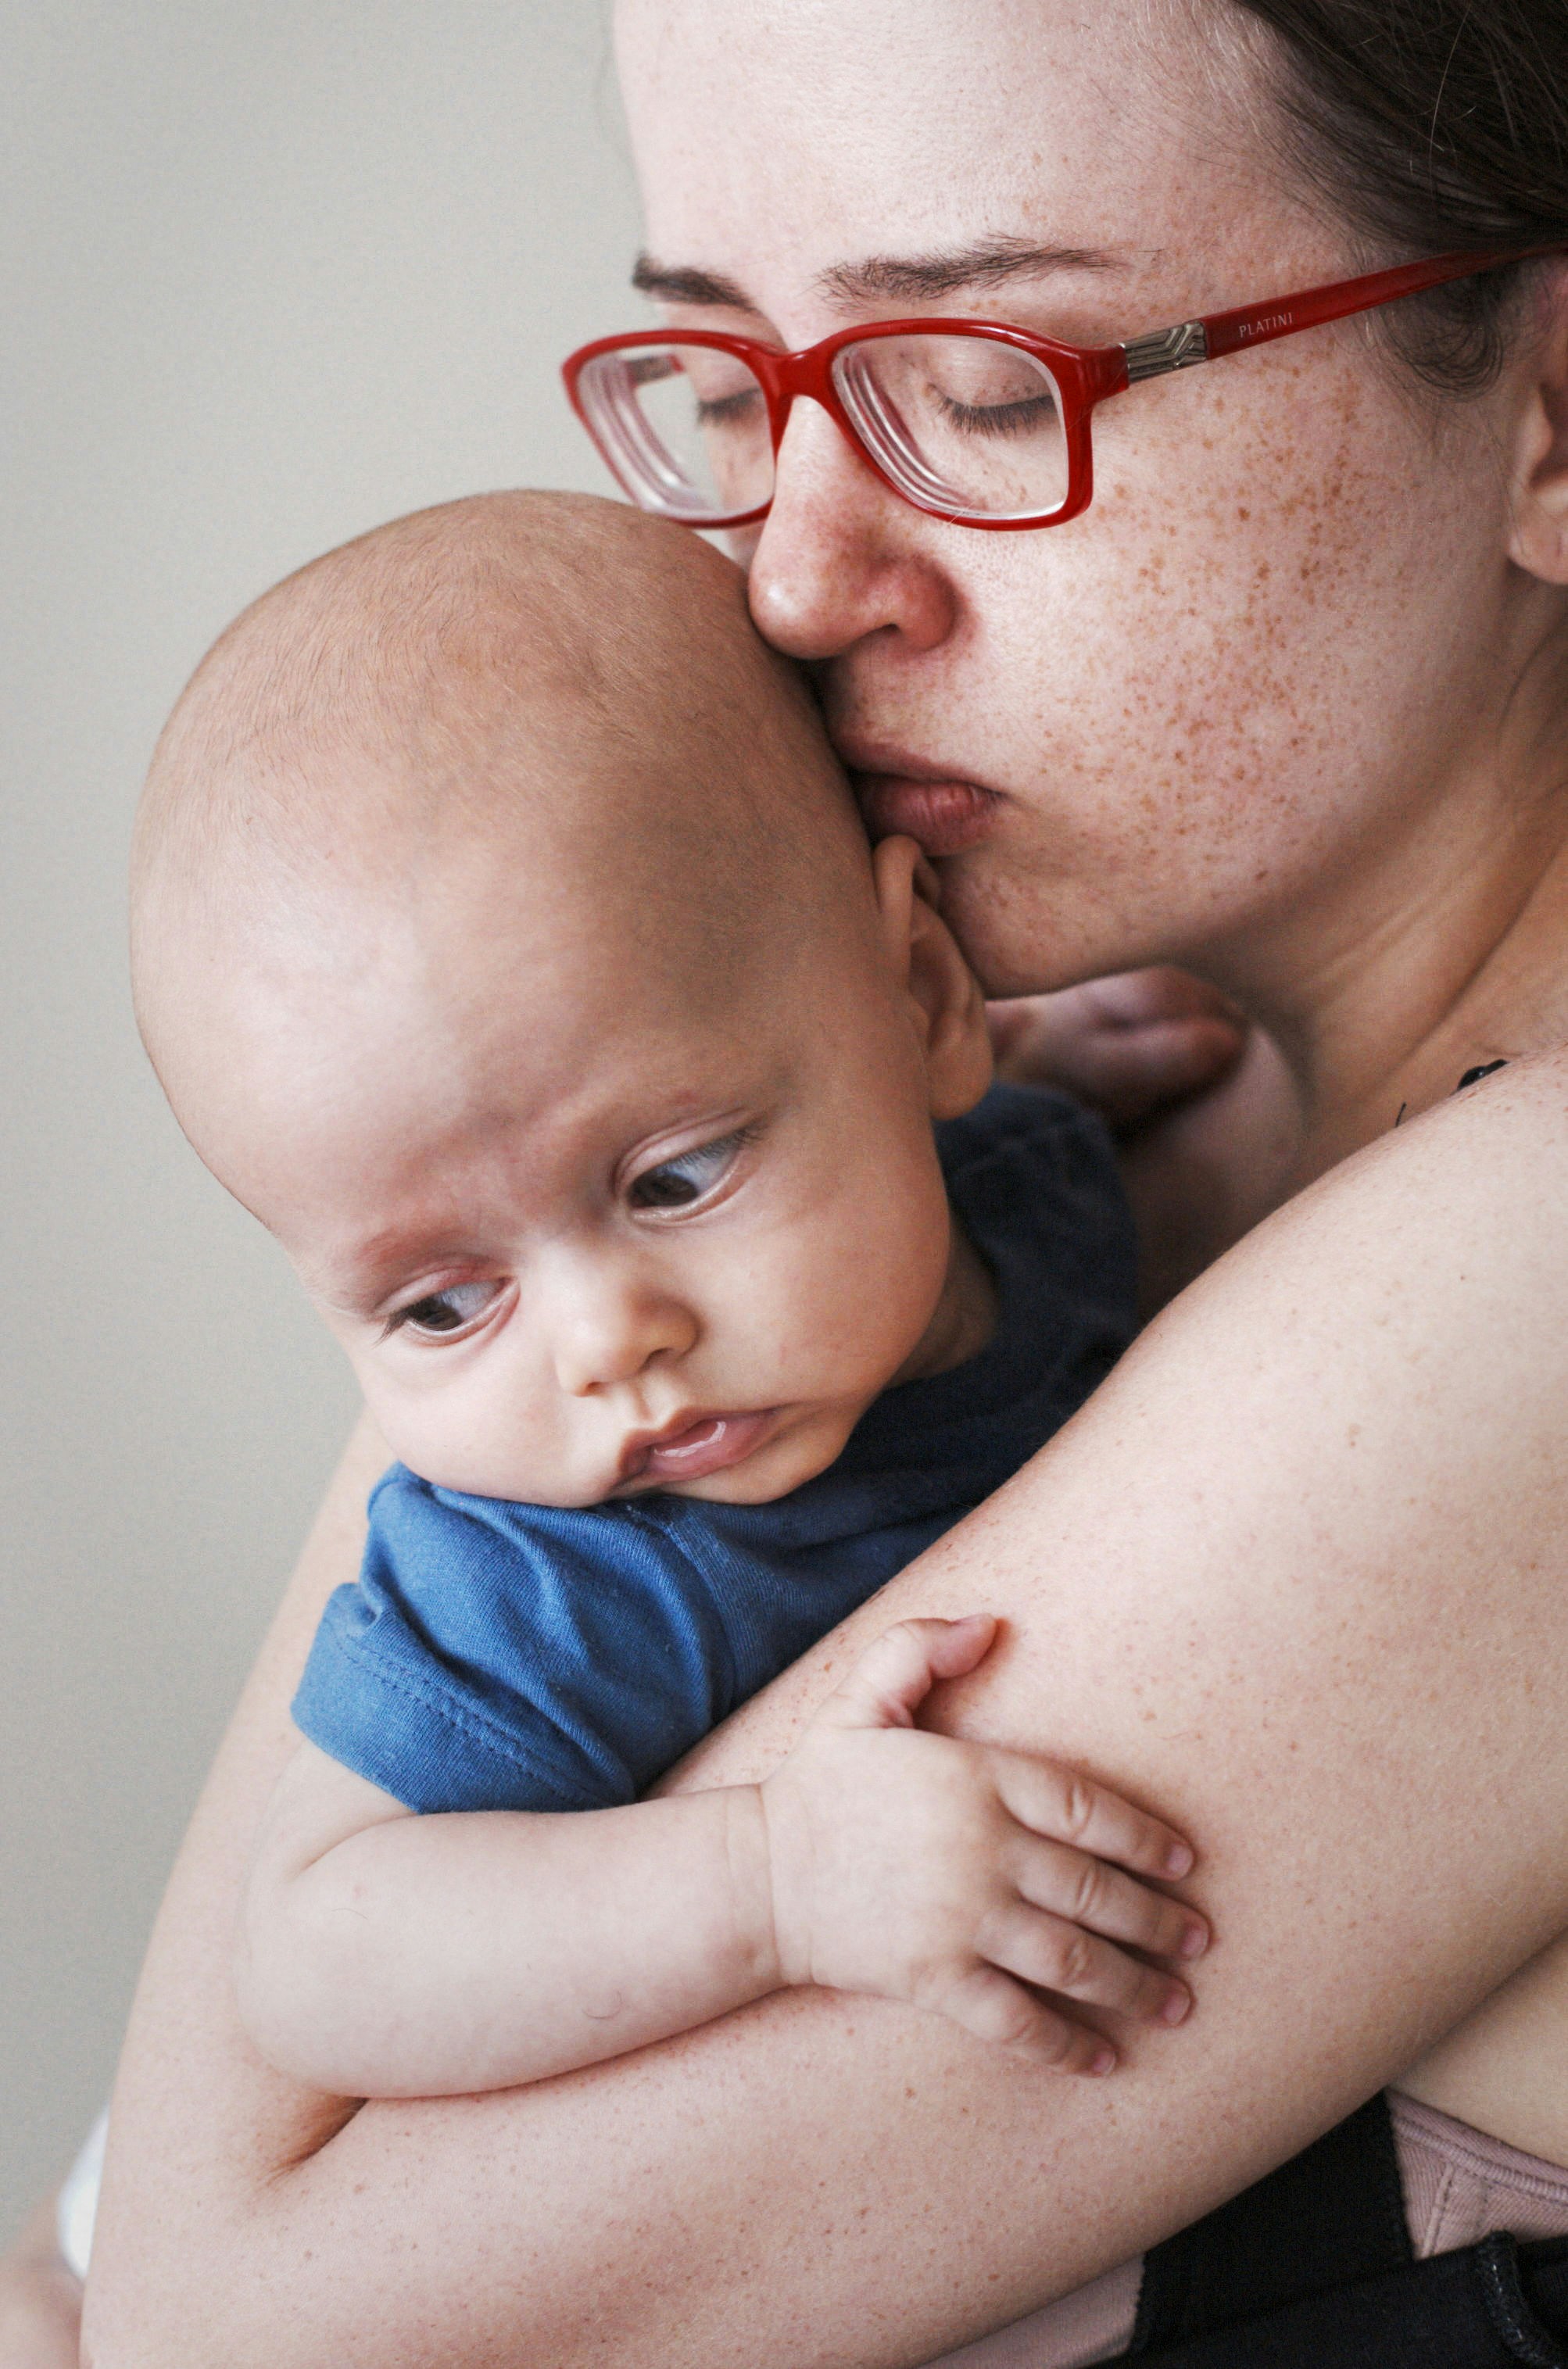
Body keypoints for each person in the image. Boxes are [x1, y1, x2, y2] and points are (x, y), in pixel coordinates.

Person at [34, 0, 1568, 2360]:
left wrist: (585, 1129)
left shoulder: (1513, 1297)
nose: (780, 581)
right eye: (730, 391)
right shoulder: (1067, 1145)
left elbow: (220, 2328)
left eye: (977, 393)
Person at [128, 488, 1201, 2107]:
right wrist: (772, 1883)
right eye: (435, 1308)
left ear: (918, 998)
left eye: (674, 1180)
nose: (603, 1344)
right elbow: (314, 1952)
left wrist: (1052, 1059)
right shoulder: (557, 1580)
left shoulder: (1015, 1171)